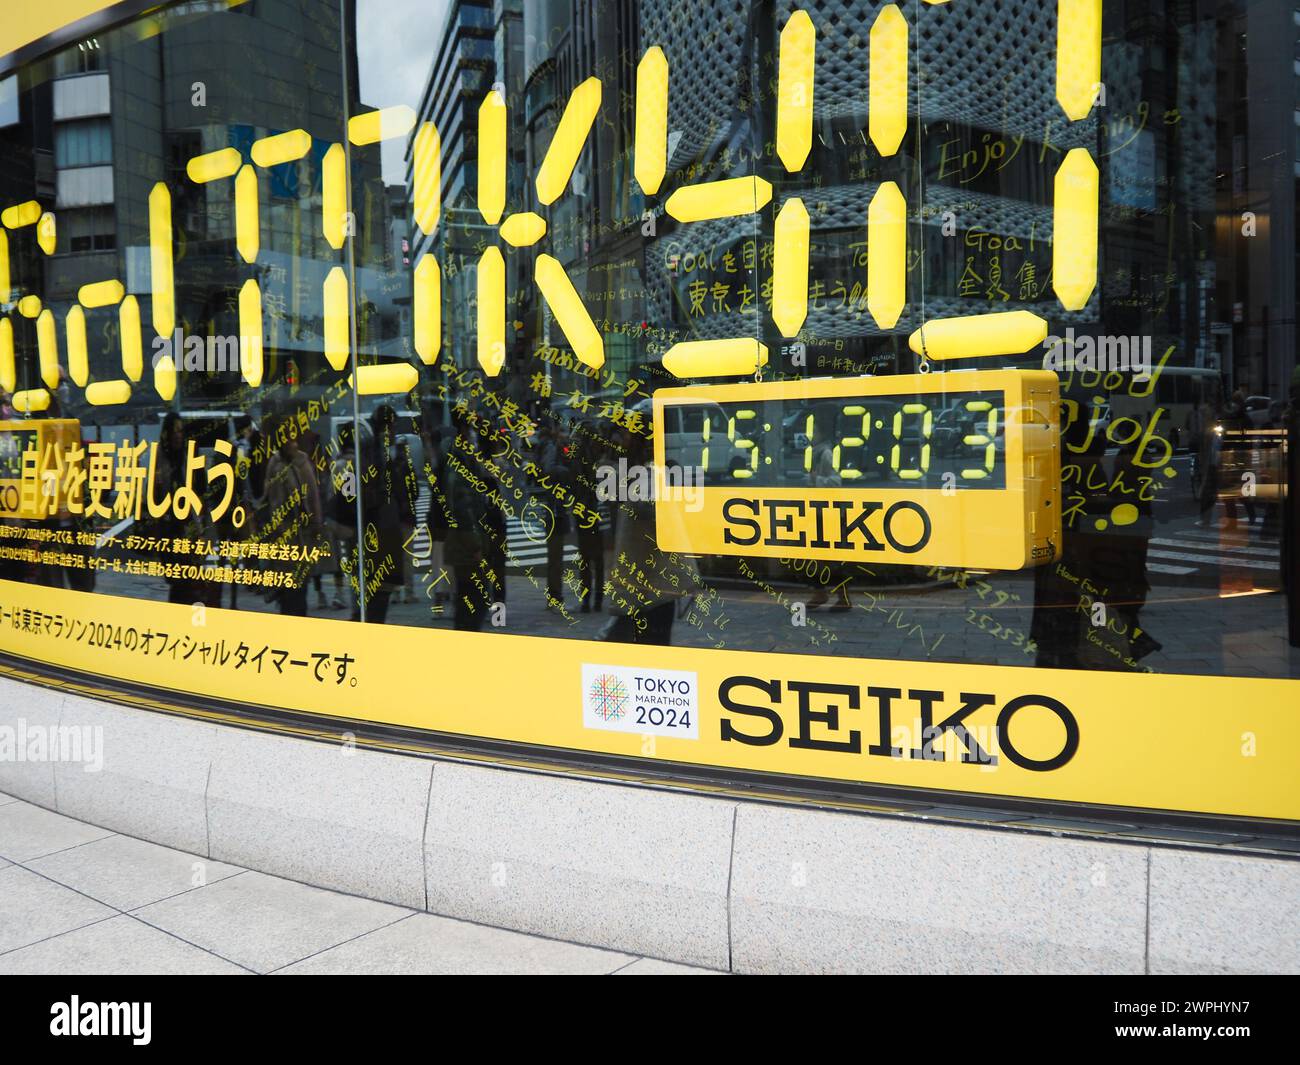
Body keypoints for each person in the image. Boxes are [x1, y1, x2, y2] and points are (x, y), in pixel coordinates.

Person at [263, 413, 324, 616]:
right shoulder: (276, 464)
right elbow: (272, 501)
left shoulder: (303, 462)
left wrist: (316, 524)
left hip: (304, 535)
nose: (292, 442)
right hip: (285, 537)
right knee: (289, 592)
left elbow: (314, 497)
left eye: (293, 437)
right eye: (288, 438)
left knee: (301, 588)